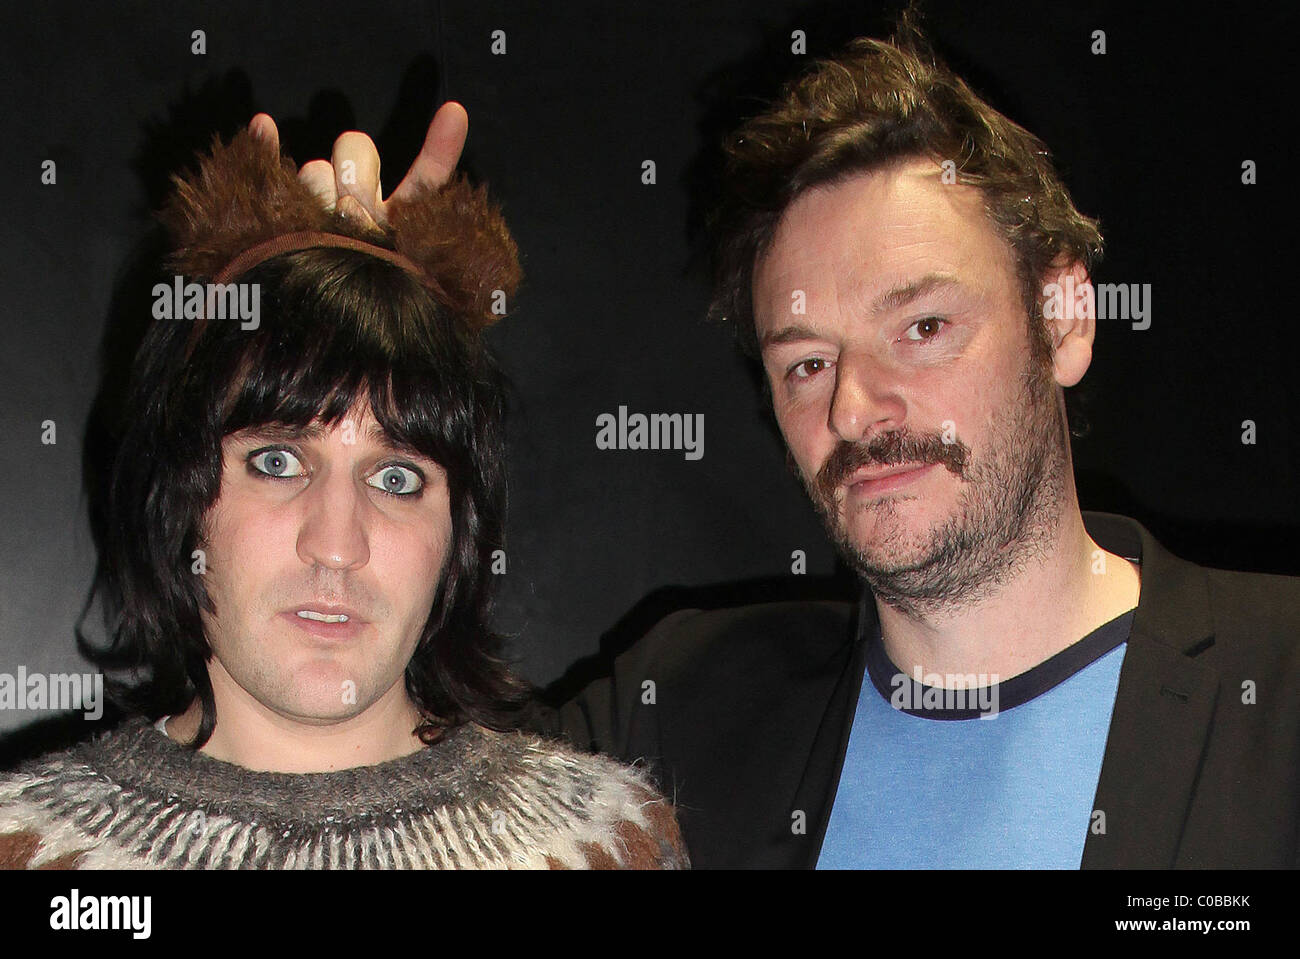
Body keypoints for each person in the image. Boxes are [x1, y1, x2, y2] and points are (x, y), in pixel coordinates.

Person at [0, 105, 687, 870]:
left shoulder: (607, 845)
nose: (335, 542)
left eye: (396, 477)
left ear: (458, 532)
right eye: (277, 462)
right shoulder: (28, 854)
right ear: (183, 496)